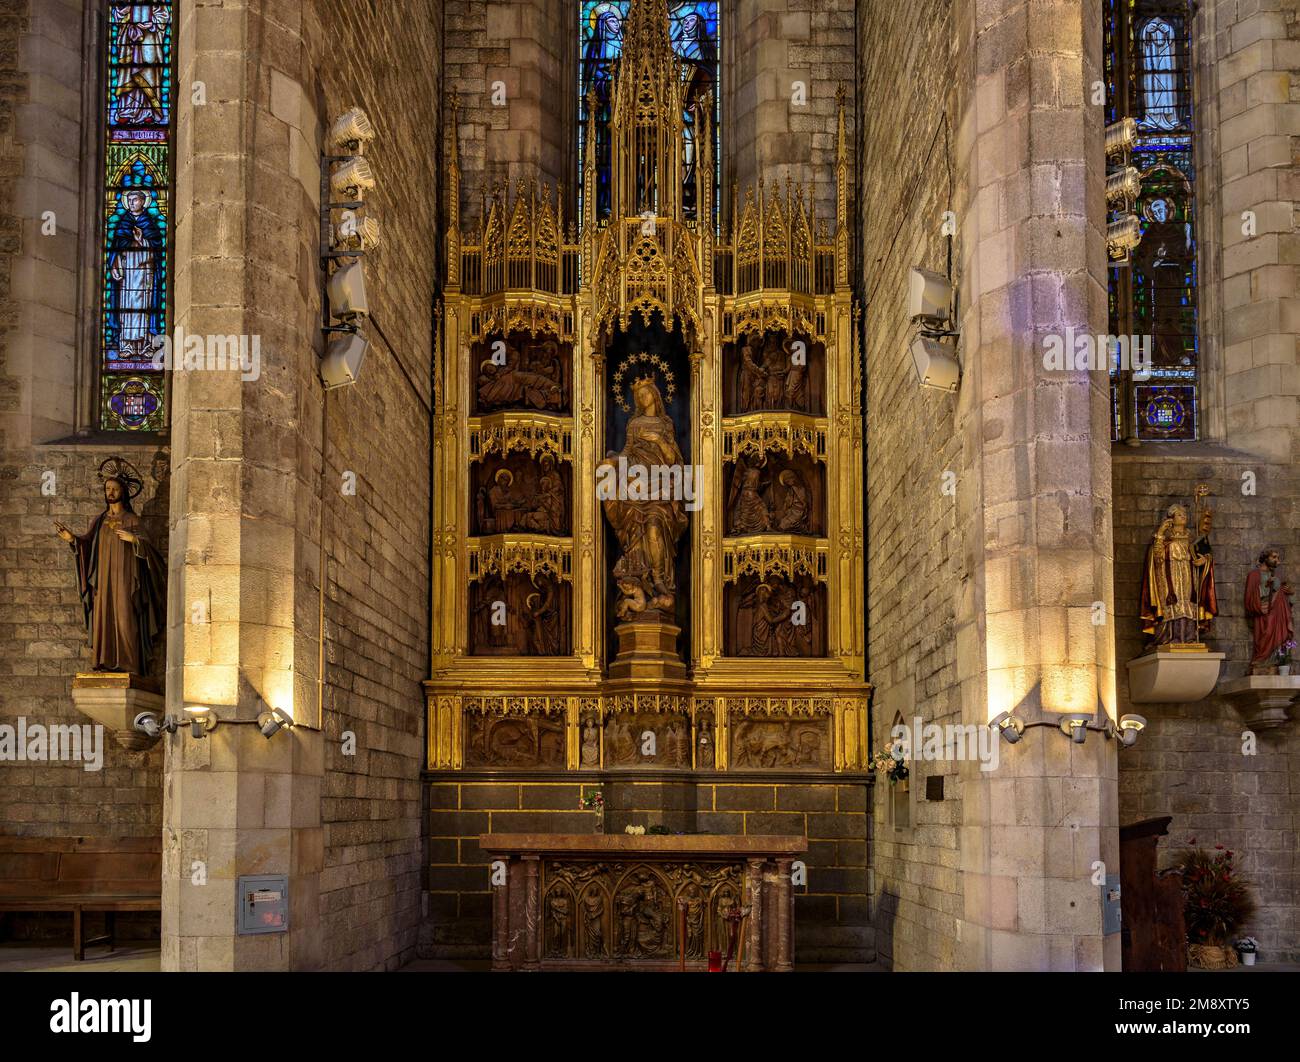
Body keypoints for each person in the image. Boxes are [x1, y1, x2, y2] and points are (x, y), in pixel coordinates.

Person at [54, 459, 165, 675]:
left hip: (125, 581)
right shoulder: (99, 521)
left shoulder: (131, 519)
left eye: (114, 489)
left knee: (125, 619)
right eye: (108, 489)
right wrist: (73, 540)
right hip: (103, 582)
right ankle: (104, 662)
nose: (111, 492)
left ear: (123, 492)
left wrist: (135, 541)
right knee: (103, 619)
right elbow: (87, 544)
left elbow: (150, 551)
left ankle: (130, 664)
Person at [1245, 549, 1293, 672]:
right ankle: (1260, 660)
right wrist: (1269, 587)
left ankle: (1278, 662)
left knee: (1280, 636)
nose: (1278, 561)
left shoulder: (1276, 577)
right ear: (1265, 558)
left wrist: (1284, 590)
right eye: (1274, 557)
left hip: (1277, 614)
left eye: (1278, 558)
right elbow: (1249, 598)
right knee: (1264, 637)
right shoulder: (1254, 575)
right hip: (1263, 614)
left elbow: (1288, 596)